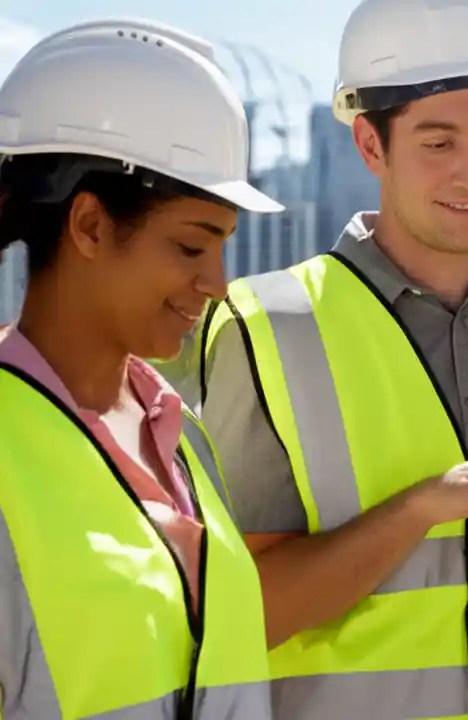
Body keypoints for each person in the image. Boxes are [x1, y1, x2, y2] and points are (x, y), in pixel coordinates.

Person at [195, 0, 468, 718]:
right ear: (370, 144)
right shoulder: (266, 327)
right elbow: (243, 618)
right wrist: (421, 508)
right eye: (438, 143)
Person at [0, 18, 283, 719]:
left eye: (223, 247)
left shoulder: (181, 434)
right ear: (90, 226)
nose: (217, 283)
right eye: (191, 247)